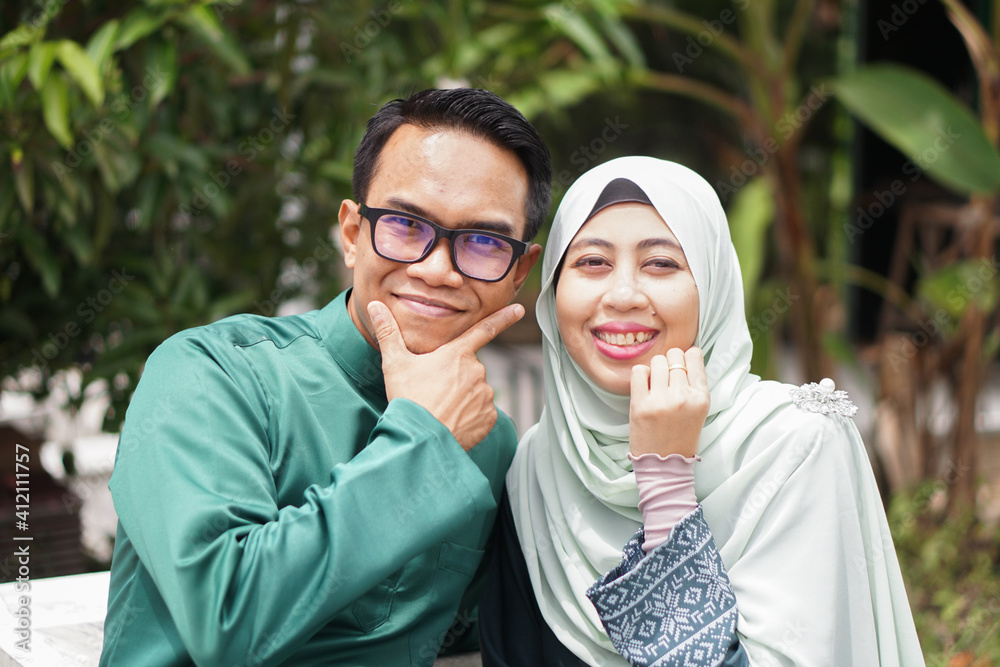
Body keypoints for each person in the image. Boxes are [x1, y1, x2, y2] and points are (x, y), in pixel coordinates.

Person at [99, 87, 550, 666]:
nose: (437, 270)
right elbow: (228, 621)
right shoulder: (213, 375)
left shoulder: (489, 442)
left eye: (484, 242)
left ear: (519, 272)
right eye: (407, 225)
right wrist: (423, 443)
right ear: (352, 233)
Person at [480, 156, 924, 666]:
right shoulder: (536, 468)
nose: (622, 295)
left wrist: (665, 484)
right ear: (554, 292)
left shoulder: (796, 445)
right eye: (592, 262)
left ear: (711, 286)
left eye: (661, 264)